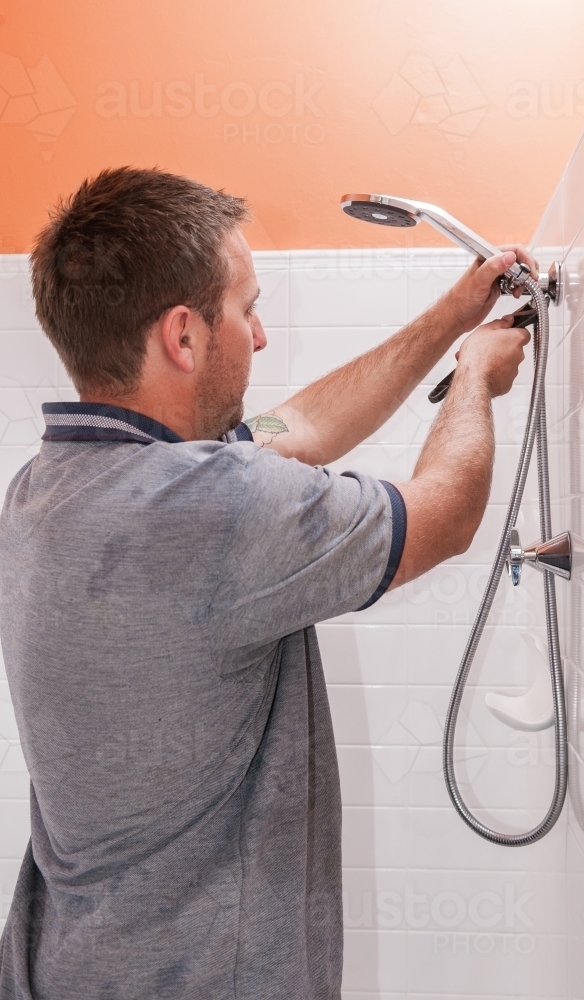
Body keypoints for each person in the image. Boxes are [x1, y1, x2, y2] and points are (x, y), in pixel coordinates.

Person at [0, 167, 534, 1000]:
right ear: (183, 336)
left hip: (71, 964)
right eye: (246, 309)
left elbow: (299, 428)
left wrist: (451, 318)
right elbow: (445, 515)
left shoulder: (49, 487)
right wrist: (472, 379)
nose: (258, 337)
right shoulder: (214, 507)